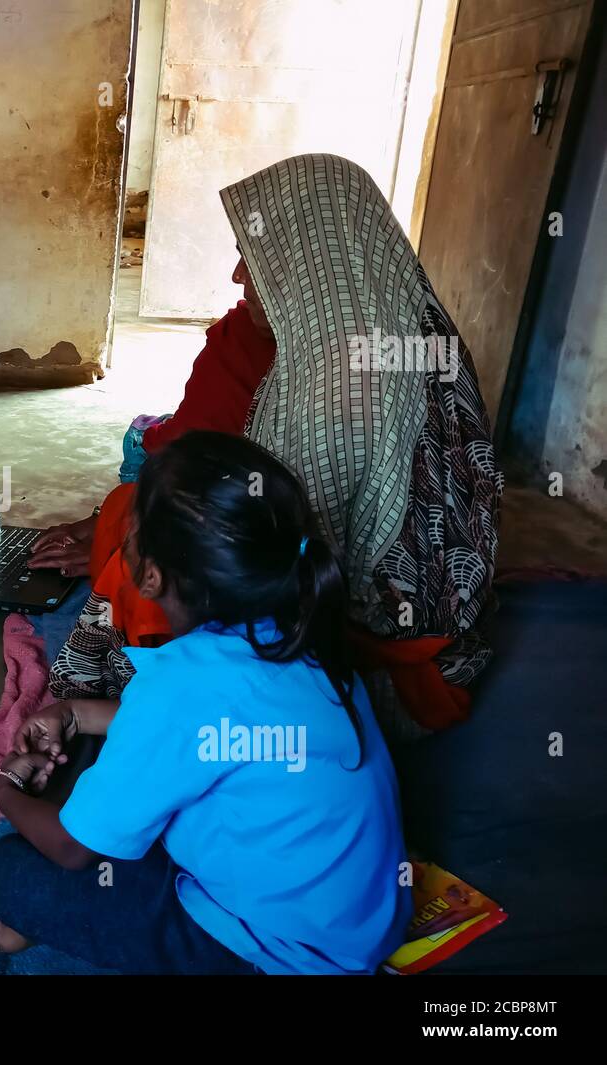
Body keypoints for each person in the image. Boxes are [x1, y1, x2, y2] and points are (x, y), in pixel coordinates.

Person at [34, 155, 501, 737]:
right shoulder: (417, 330)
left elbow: (270, 566)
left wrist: (139, 541)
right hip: (429, 626)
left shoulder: (339, 391)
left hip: (357, 649)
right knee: (131, 510)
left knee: (137, 534)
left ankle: (133, 698)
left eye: (250, 257)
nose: (238, 277)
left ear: (310, 264)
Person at [0, 431, 413, 974]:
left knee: (12, 871)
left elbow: (71, 850)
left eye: (129, 523)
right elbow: (207, 732)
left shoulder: (182, 685)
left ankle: (24, 918)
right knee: (107, 783)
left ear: (149, 574)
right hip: (364, 921)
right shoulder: (299, 631)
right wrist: (74, 713)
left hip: (272, 954)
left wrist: (2, 785)